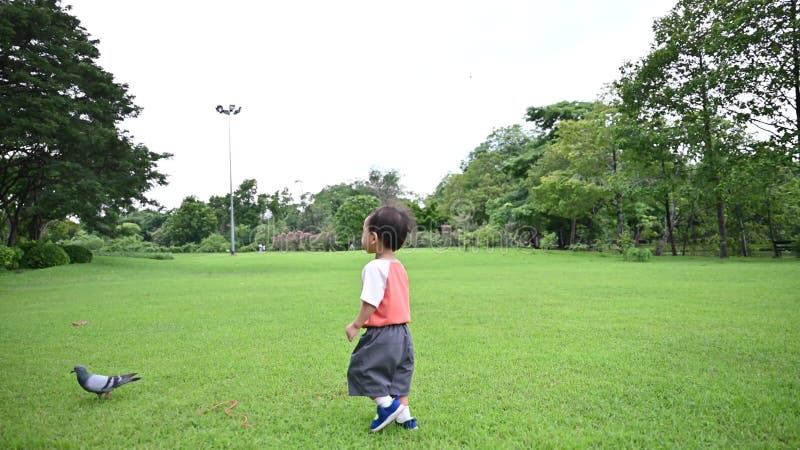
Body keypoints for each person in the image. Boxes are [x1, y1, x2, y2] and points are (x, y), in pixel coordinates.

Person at [345, 205, 418, 432]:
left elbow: (371, 303)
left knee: (362, 369)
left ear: (374, 238)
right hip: (403, 334)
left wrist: (356, 324)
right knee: (398, 377)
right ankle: (406, 419)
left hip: (382, 334)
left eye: (364, 232)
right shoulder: (398, 266)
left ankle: (386, 406)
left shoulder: (374, 267)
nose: (362, 237)